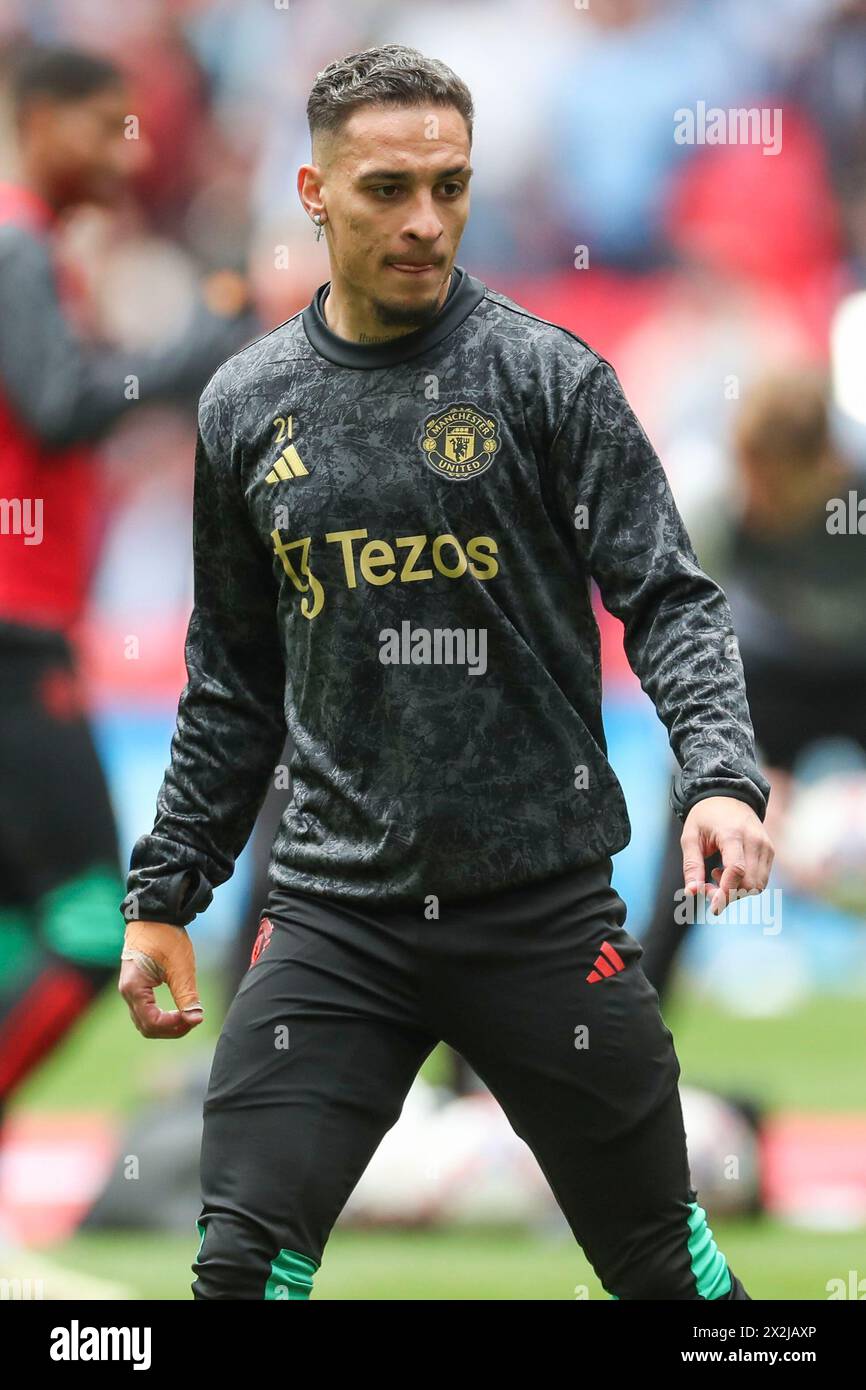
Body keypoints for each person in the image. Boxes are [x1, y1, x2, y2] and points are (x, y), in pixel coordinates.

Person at [119, 44, 773, 1301]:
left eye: (450, 185)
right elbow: (232, 680)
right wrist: (166, 893)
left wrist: (719, 776)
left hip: (540, 912)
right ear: (312, 192)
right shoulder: (245, 406)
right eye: (386, 189)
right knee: (240, 1269)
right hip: (333, 918)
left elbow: (669, 599)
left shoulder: (546, 379)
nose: (425, 220)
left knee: (663, 1275)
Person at [0, 46, 253, 1139]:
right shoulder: (17, 244)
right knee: (90, 924)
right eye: (104, 127)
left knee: (18, 920)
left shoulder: (32, 249)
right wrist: (193, 347)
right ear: (39, 122)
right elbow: (59, 404)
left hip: (26, 623)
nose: (126, 153)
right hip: (15, 637)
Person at [641, 368, 866, 1000]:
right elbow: (683, 650)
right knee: (694, 841)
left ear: (827, 465)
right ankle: (632, 1027)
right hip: (763, 681)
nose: (757, 496)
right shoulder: (712, 502)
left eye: (775, 481)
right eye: (751, 475)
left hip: (860, 677)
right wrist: (744, 772)